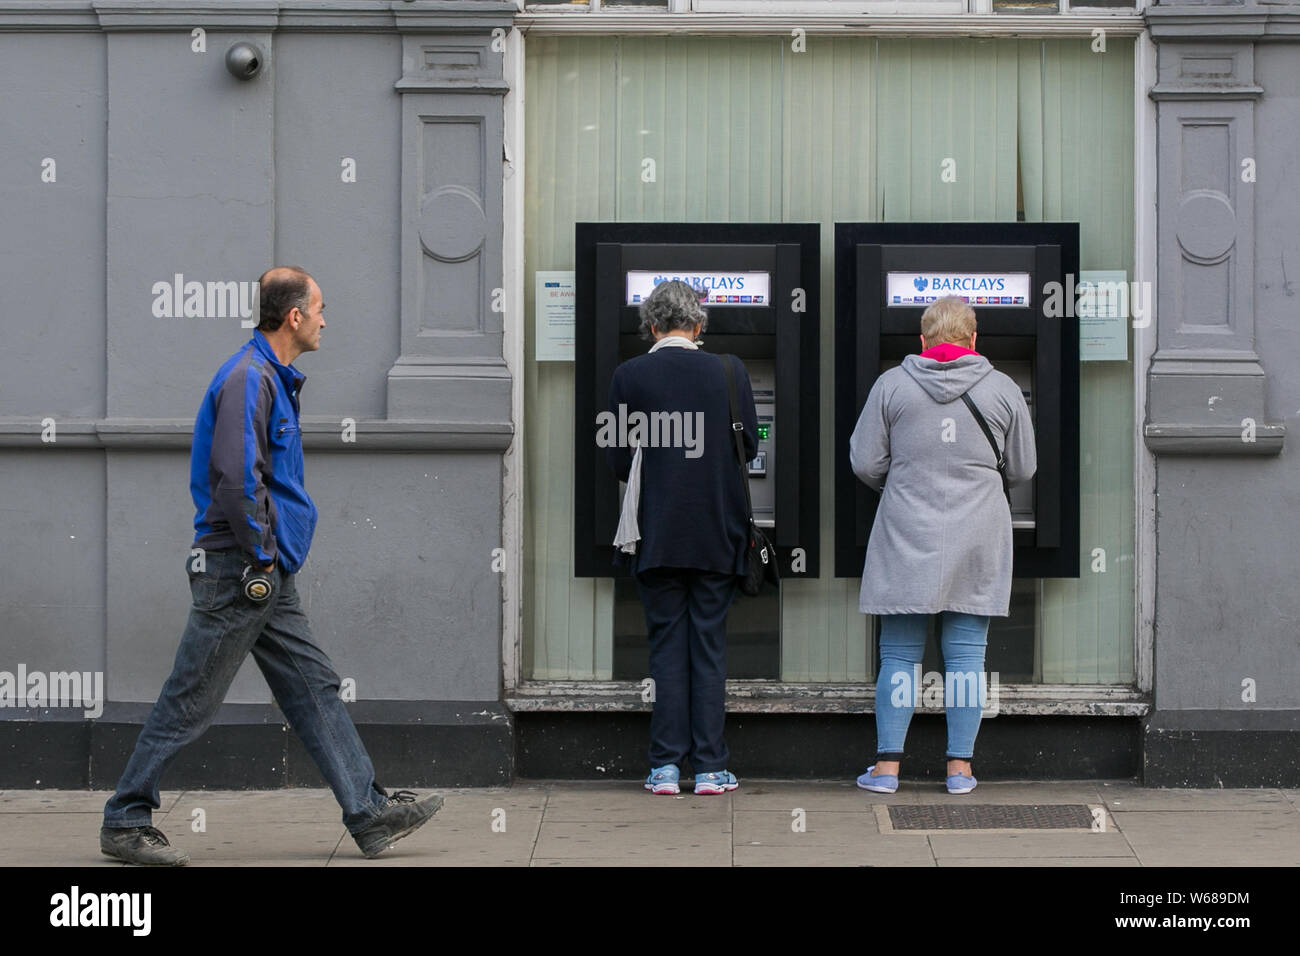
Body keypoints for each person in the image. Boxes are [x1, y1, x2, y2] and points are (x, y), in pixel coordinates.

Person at [100, 266, 442, 864]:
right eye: (320, 308)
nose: (324, 319)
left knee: (314, 687)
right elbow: (237, 481)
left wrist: (269, 563)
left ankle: (368, 811)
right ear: (294, 317)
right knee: (191, 699)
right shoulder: (248, 379)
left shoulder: (270, 378)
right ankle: (125, 820)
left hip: (264, 572)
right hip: (242, 569)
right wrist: (260, 558)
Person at [849, 295, 1036, 795]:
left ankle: (887, 771)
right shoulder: (1003, 390)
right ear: (974, 339)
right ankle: (960, 770)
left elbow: (865, 462)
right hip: (979, 532)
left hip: (907, 529)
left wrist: (907, 478)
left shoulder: (891, 386)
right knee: (968, 655)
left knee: (899, 653)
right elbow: (1023, 468)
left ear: (923, 340)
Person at [605, 279, 758, 796]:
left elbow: (616, 457)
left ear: (651, 325)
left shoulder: (630, 375)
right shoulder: (730, 371)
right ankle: (712, 768)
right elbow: (751, 451)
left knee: (667, 648)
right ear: (698, 325)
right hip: (718, 532)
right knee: (708, 647)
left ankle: (665, 767)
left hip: (657, 534)